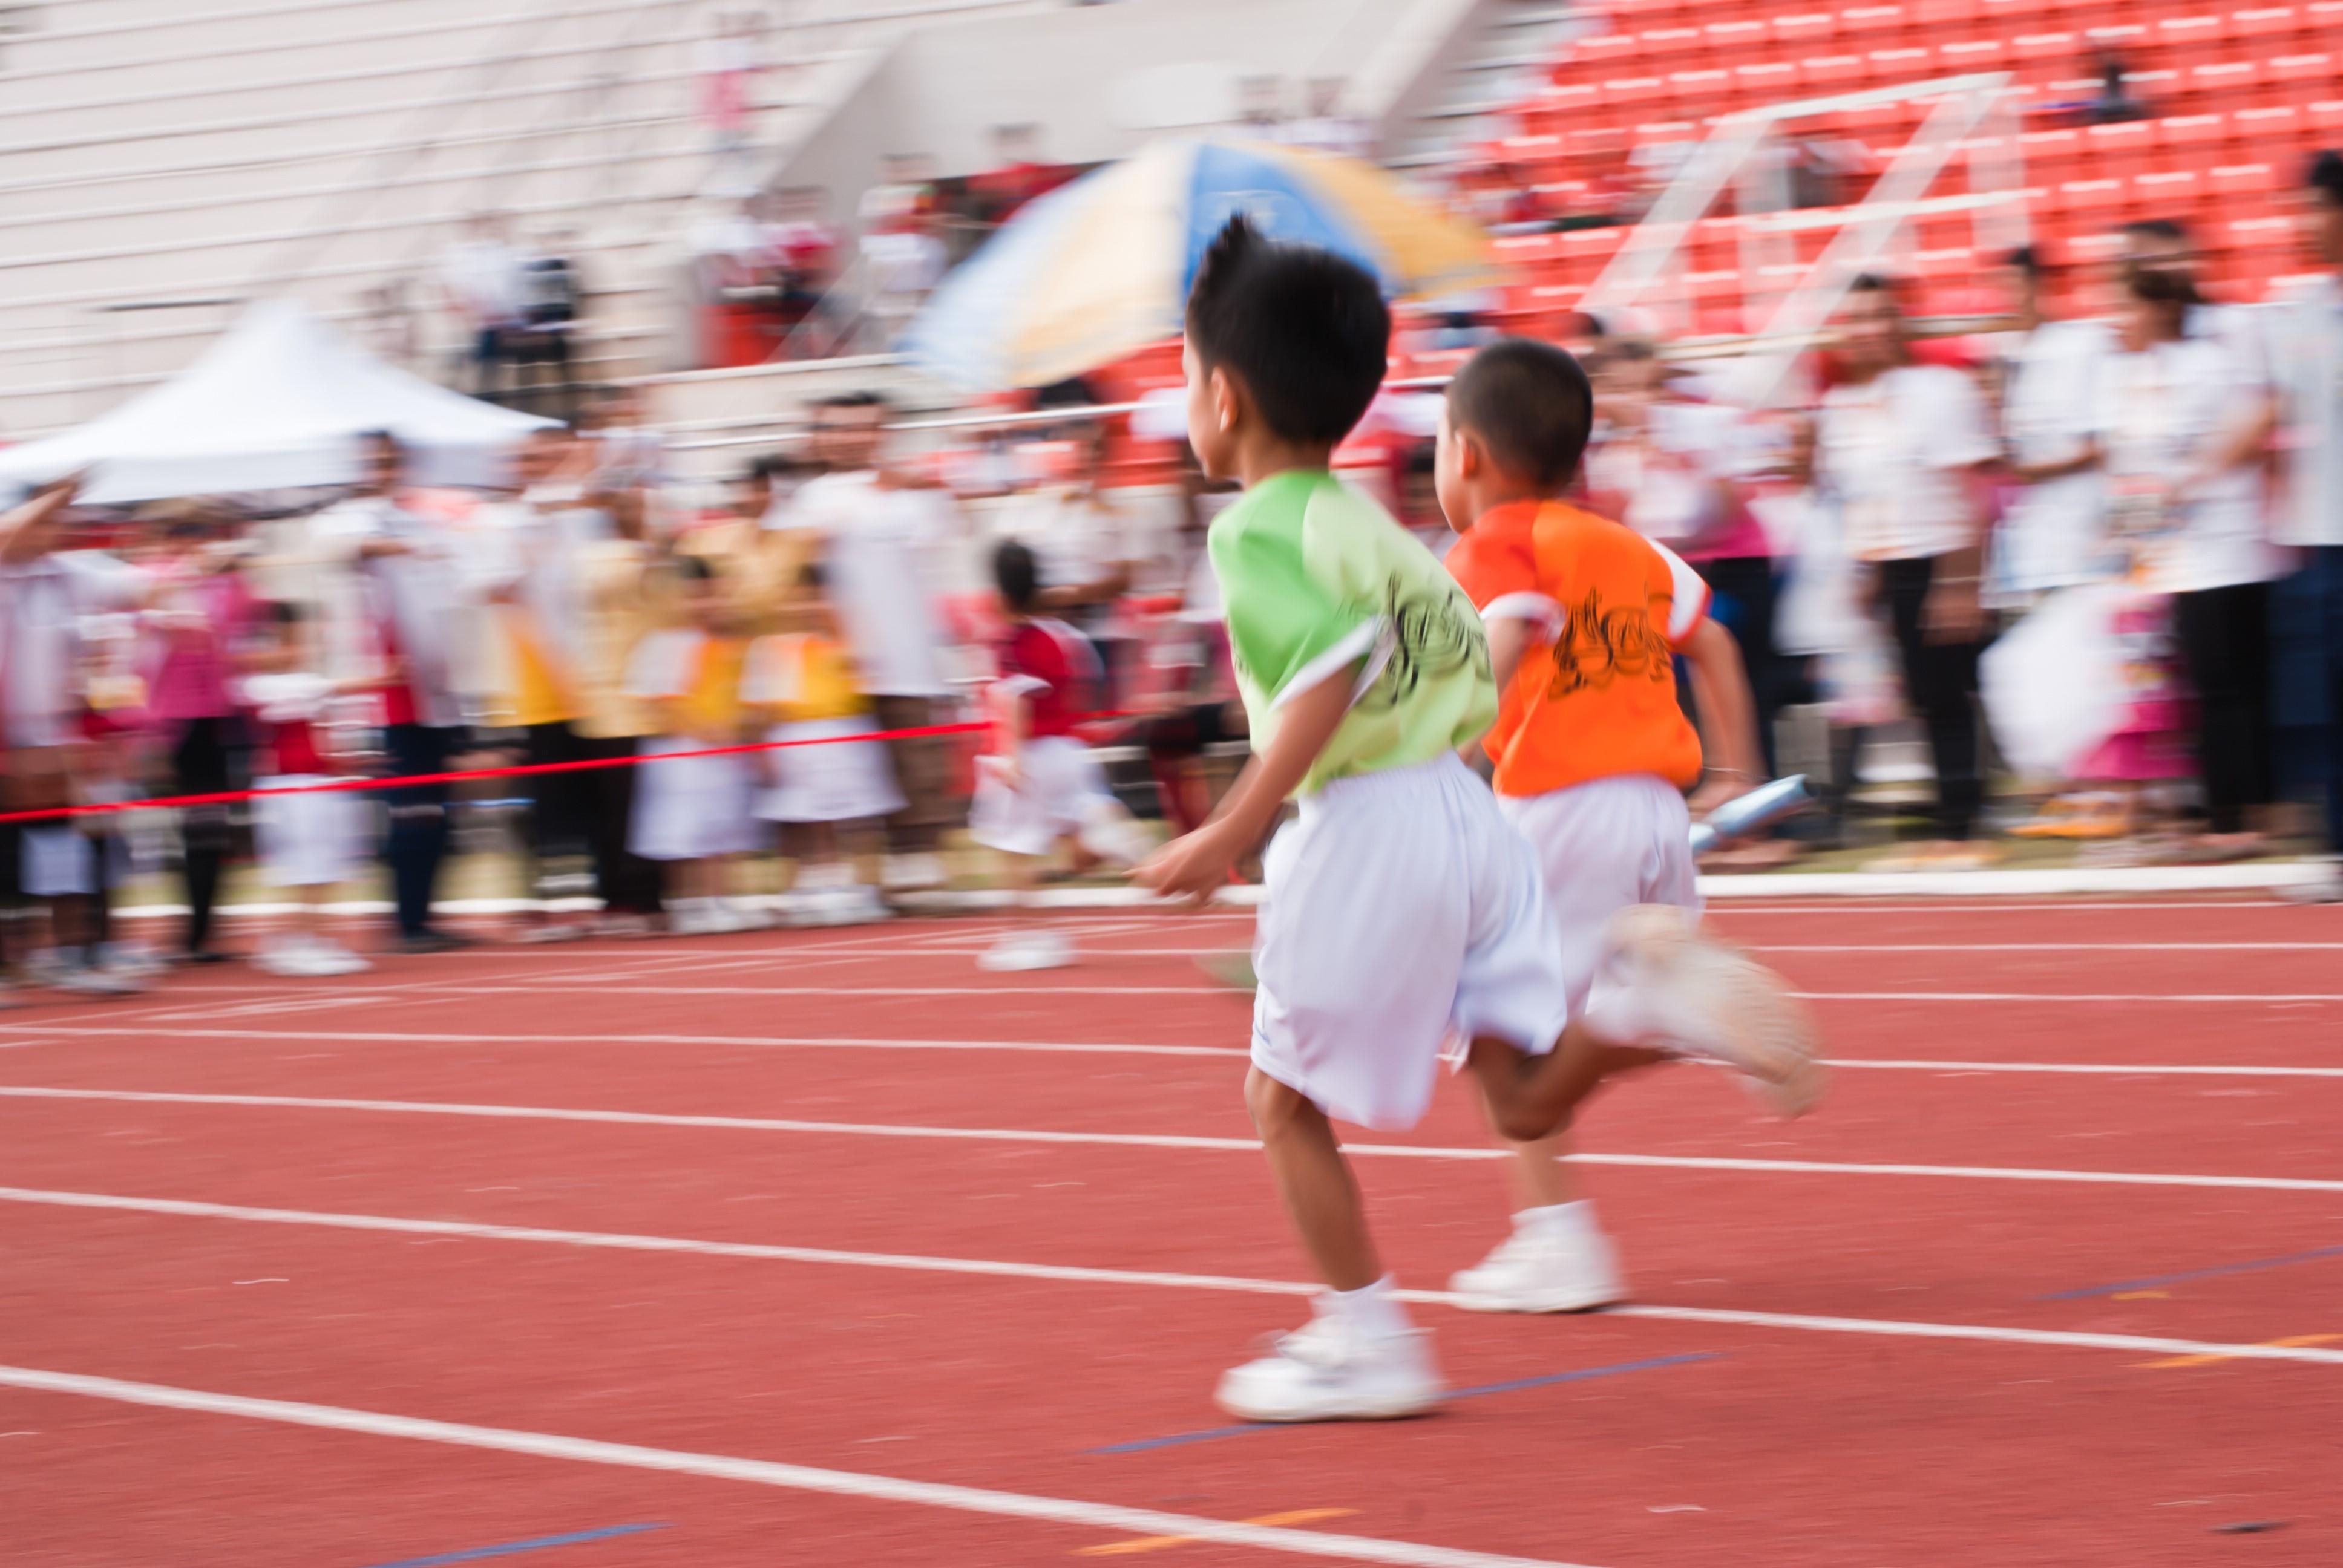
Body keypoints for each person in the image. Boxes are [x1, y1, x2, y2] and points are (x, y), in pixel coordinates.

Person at [1133, 217, 1820, 1422]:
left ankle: (1367, 1341)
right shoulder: (1382, 532)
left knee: (1278, 1100)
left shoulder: (1259, 528)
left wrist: (1230, 830)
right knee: (1512, 1096)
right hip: (1468, 820)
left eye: (1185, 379)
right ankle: (1634, 1014)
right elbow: (1443, 667)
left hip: (1377, 815)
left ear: (1224, 397)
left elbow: (1330, 679)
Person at [1435, 337, 1791, 1314]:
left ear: (1463, 454)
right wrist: (1736, 772)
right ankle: (1669, 1026)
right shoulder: (1627, 544)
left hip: (1553, 807)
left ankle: (1560, 1235)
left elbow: (1506, 631)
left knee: (1500, 1036)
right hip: (1654, 813)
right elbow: (1712, 640)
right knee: (1537, 1021)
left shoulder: (1491, 544)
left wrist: (1441, 759)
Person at [2096, 264, 2287, 857]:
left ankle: (2238, 819)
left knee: (2227, 684)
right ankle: (2224, 811)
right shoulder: (2129, 376)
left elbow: (2244, 437)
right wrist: (2131, 540)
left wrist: (2184, 484)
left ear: (2156, 310)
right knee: (2202, 686)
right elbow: (2128, 469)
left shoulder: (2207, 365)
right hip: (2172, 555)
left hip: (2226, 549)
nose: (2115, 320)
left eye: (2124, 306)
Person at [1814, 276, 2001, 867]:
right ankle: (1950, 808)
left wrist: (1959, 581)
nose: (1869, 328)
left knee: (1947, 693)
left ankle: (1962, 818)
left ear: (1900, 320)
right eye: (1857, 317)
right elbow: (1852, 495)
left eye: (1879, 314)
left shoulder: (1939, 389)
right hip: (1883, 563)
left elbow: (1971, 491)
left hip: (1938, 558)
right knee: (1919, 695)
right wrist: (1861, 573)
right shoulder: (1840, 406)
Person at [779, 393, 962, 890]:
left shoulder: (915, 492)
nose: (849, 437)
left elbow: (940, 542)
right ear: (819, 436)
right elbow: (790, 566)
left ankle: (917, 868)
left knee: (915, 768)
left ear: (884, 432)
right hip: (832, 665)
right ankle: (838, 875)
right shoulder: (804, 498)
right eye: (837, 428)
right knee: (841, 772)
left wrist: (913, 488)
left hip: (907, 656)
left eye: (862, 427)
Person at [311, 430, 475, 953]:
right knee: (406, 811)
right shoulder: (342, 519)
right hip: (384, 694)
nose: (381, 467)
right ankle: (406, 922)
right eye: (373, 459)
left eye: (389, 459)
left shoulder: (416, 520)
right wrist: (399, 545)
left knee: (435, 812)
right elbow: (343, 547)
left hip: (434, 689)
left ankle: (422, 916)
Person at [1, 474, 153, 997]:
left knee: (69, 854)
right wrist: (61, 491)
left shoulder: (68, 575)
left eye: (60, 522)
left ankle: (72, 956)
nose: (55, 531)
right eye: (46, 521)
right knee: (7, 860)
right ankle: (8, 966)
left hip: (54, 743)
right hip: (4, 743)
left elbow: (145, 587)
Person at [968, 540, 1149, 971]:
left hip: (1032, 754)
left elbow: (1015, 697)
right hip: (1071, 750)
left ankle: (1032, 937)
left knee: (1013, 849)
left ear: (998, 594)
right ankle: (1096, 834)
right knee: (1073, 848)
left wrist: (1009, 754)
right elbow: (1085, 686)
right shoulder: (1063, 634)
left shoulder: (1012, 641)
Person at [743, 564, 902, 927]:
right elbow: (761, 708)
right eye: (799, 598)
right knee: (810, 821)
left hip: (846, 734)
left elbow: (870, 678)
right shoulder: (773, 648)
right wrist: (761, 751)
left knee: (860, 817)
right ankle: (821, 889)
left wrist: (841, 630)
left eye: (815, 596)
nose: (806, 606)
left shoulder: (847, 641)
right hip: (795, 737)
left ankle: (868, 889)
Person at [2266, 151, 2343, 901]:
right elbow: (2268, 412)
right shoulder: (2302, 311)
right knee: (2321, 701)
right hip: (2321, 540)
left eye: (2309, 206)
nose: (2300, 222)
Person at [138, 502, 258, 965]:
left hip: (219, 719)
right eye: (182, 534)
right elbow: (155, 628)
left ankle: (201, 933)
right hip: (170, 723)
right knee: (180, 828)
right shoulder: (153, 579)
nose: (194, 544)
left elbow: (242, 622)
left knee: (213, 830)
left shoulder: (225, 584)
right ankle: (185, 933)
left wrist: (225, 571)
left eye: (202, 534)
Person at [624, 555, 761, 934]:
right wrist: (702, 731)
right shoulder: (662, 644)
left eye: (710, 595)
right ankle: (688, 904)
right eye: (692, 596)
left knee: (722, 830)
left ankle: (720, 900)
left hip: (725, 752)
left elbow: (744, 695)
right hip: (682, 754)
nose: (703, 604)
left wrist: (736, 731)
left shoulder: (727, 643)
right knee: (684, 833)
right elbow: (657, 702)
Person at [243, 603, 372, 978]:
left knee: (328, 865)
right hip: (290, 786)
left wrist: (344, 762)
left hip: (318, 783)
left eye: (303, 640)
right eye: (292, 641)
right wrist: (384, 675)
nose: (301, 649)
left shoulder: (304, 681)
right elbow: (303, 698)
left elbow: (322, 727)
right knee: (307, 866)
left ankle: (310, 936)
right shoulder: (260, 684)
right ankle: (293, 941)